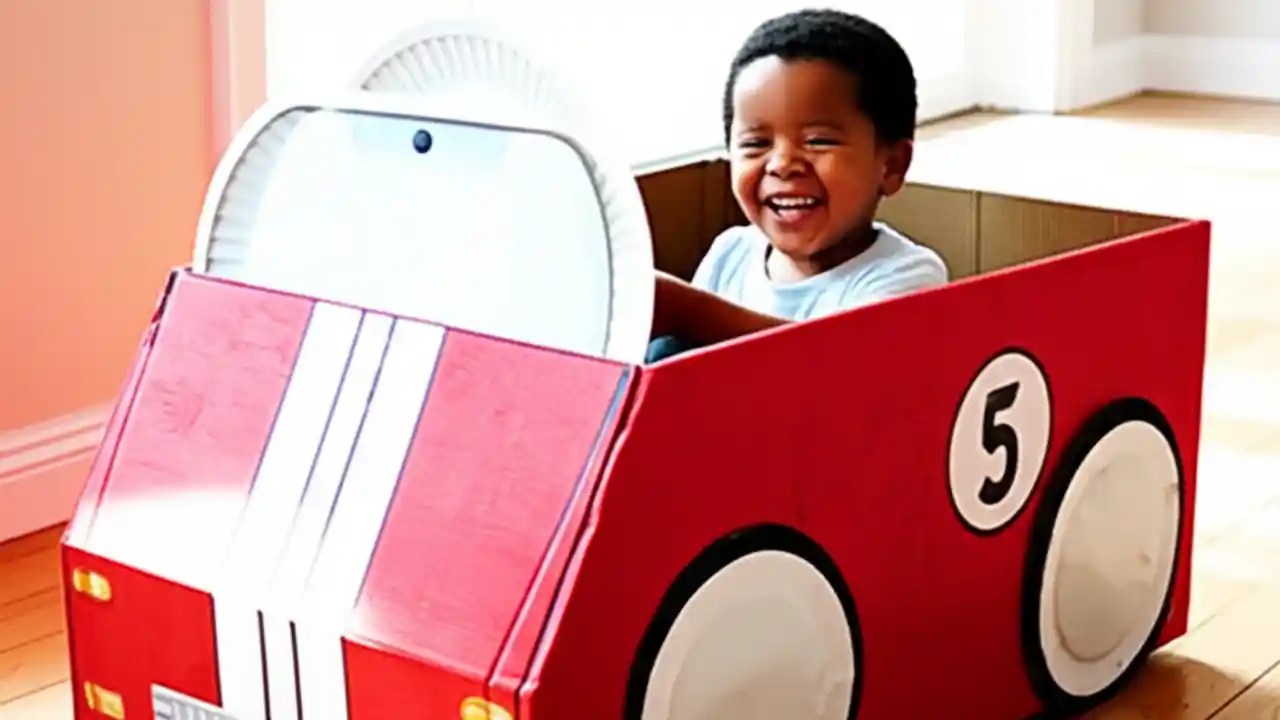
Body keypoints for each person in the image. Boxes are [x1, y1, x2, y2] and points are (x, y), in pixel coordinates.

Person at [647, 9, 948, 361]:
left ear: (892, 166)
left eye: (819, 141)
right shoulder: (730, 254)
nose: (782, 164)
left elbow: (841, 370)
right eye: (756, 144)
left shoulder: (909, 275)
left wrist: (691, 311)